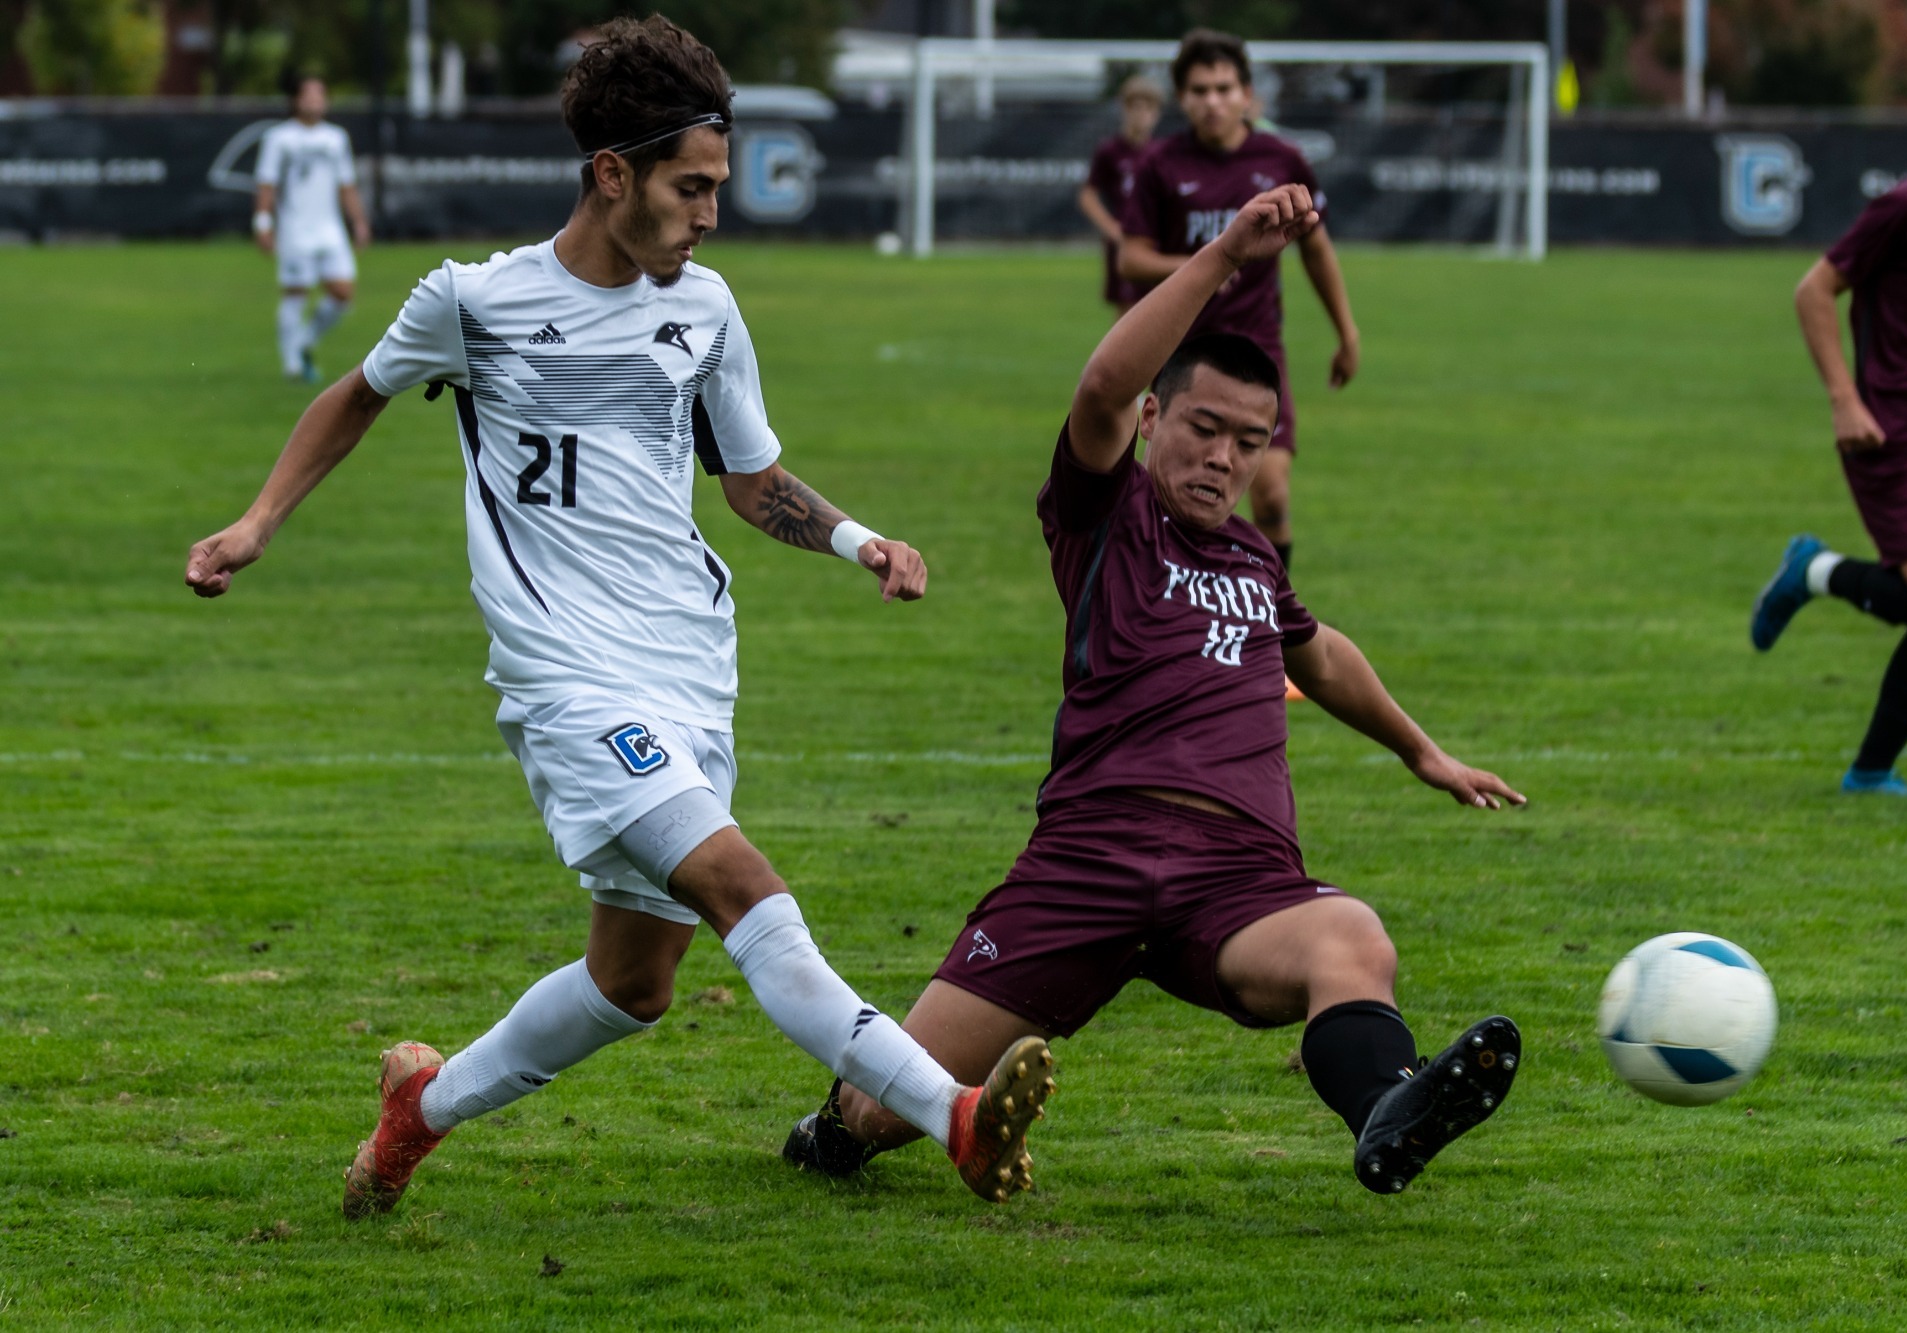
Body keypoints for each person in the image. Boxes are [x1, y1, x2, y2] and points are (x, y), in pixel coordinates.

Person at [185, 17, 1051, 1217]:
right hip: (569, 683)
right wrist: (256, 521)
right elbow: (357, 394)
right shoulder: (476, 302)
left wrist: (860, 542)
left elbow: (749, 481)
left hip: (691, 669)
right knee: (746, 888)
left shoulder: (704, 311)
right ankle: (952, 1113)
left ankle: (413, 1115)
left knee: (635, 983)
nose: (709, 212)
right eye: (689, 187)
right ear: (612, 175)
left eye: (716, 189)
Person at [784, 185, 1524, 1198]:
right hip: (1086, 860)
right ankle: (832, 1132)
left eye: (1248, 440)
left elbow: (1316, 653)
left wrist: (1420, 751)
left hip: (1236, 874)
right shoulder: (1106, 512)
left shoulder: (1256, 559)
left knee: (1351, 937)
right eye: (1203, 427)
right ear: (1153, 419)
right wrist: (1226, 254)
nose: (1223, 456)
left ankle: (1388, 1109)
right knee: (887, 1101)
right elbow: (1096, 387)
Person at [1751, 50, 1907, 797]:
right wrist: (1842, 397)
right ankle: (1814, 572)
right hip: (1887, 431)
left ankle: (1871, 768)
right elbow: (1814, 291)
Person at [1118, 29, 1360, 574]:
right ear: (1182, 98)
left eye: (1224, 88)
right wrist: (1208, 265)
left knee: (1271, 492)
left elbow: (1315, 248)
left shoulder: (1280, 159)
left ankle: (1273, 620)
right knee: (1166, 497)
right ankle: (1177, 609)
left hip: (1256, 353)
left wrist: (1347, 333)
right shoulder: (1160, 165)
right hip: (1179, 354)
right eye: (1200, 90)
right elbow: (1131, 259)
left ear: (1248, 94)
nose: (1213, 101)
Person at [253, 76, 370, 383]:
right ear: (296, 100)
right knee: (296, 292)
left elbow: (347, 184)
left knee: (343, 293)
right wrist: (263, 222)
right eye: (309, 95)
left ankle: (304, 342)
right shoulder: (280, 138)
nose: (315, 100)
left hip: (329, 229)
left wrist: (357, 221)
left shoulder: (336, 138)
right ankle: (292, 363)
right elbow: (267, 183)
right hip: (294, 228)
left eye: (321, 94)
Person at [1078, 75, 1163, 318]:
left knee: (1160, 307)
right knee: (1127, 311)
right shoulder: (1110, 151)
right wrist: (1110, 228)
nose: (1142, 115)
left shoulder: (1160, 153)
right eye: (1135, 108)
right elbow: (1088, 195)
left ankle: (1158, 357)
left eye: (1148, 108)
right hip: (1124, 241)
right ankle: (1124, 357)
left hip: (1154, 242)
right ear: (1124, 110)